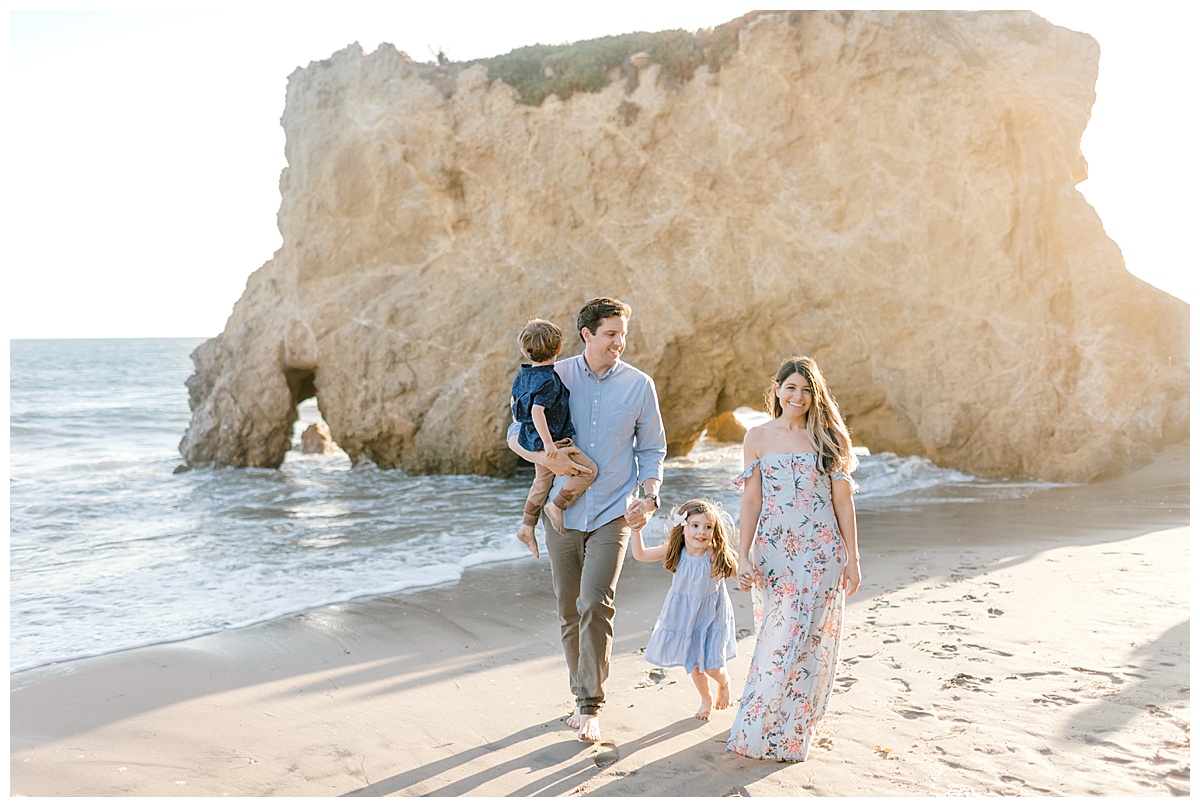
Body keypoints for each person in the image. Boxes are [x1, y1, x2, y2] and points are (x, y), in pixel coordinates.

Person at [506, 296, 667, 744]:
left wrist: (649, 496)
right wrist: (548, 460)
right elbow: (513, 431)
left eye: (623, 335)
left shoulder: (639, 385)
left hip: (614, 510)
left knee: (596, 602)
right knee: (567, 608)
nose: (619, 342)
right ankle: (580, 693)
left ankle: (589, 704)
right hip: (562, 513)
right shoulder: (552, 374)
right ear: (587, 335)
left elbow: (652, 449)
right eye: (611, 334)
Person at [726, 355, 862, 762]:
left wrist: (853, 559)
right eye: (791, 388)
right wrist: (743, 554)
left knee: (810, 639)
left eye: (806, 389)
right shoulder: (757, 438)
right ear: (778, 390)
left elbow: (843, 502)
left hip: (822, 552)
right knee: (778, 636)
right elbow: (751, 499)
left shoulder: (830, 437)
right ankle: (757, 723)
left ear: (815, 394)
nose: (798, 396)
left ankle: (792, 728)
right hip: (774, 553)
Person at [630, 498, 738, 721]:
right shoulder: (676, 550)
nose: (702, 532)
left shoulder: (716, 554)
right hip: (686, 616)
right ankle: (706, 700)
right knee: (695, 666)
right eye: (695, 526)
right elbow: (641, 554)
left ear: (714, 531)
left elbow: (740, 573)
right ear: (683, 527)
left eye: (708, 527)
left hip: (712, 617)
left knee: (712, 667)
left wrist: (753, 579)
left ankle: (724, 682)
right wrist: (636, 530)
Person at [510, 318, 598, 556]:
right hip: (554, 442)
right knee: (588, 471)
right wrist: (549, 444)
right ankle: (557, 505)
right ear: (559, 349)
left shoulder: (522, 376)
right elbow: (536, 411)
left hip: (532, 441)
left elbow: (515, 405)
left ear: (523, 350)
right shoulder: (548, 380)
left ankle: (527, 525)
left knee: (541, 482)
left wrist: (534, 439)